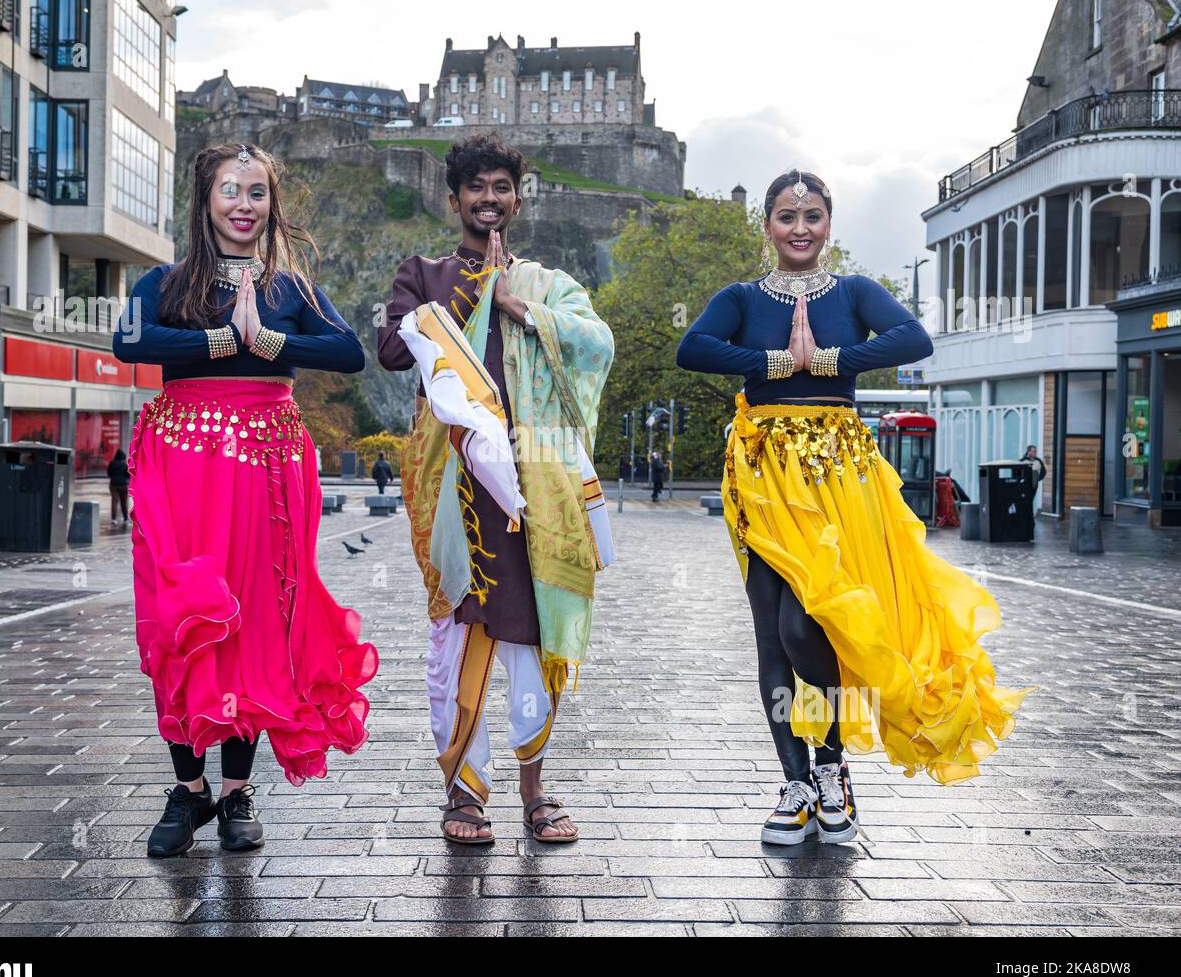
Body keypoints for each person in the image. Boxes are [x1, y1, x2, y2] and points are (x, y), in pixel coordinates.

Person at [677, 169, 1030, 846]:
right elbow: (693, 348)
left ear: (829, 224)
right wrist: (776, 362)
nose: (800, 228)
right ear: (769, 226)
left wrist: (835, 358)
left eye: (812, 216)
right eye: (786, 216)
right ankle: (794, 782)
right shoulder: (742, 298)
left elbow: (913, 341)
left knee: (811, 624)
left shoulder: (856, 293)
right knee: (770, 628)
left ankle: (833, 765)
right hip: (764, 473)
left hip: (838, 472)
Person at [112, 141, 378, 858]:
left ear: (271, 205)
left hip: (266, 465)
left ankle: (235, 794)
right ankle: (188, 788)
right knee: (181, 615)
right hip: (184, 462)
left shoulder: (292, 290)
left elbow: (350, 352)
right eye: (231, 190)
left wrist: (270, 337)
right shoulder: (163, 283)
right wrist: (229, 340)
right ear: (205, 200)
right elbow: (132, 342)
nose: (243, 205)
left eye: (257, 193)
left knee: (256, 620)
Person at [378, 133, 614, 845]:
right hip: (456, 489)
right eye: (475, 188)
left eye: (501, 188)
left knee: (534, 630)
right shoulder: (423, 274)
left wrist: (520, 309)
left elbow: (595, 341)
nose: (489, 199)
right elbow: (392, 348)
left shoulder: (548, 283)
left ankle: (535, 793)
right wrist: (456, 303)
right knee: (460, 631)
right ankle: (464, 796)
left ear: (519, 196)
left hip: (537, 483)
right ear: (453, 199)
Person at [107, 449, 130, 526]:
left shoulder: (111, 464)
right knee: (124, 502)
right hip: (124, 485)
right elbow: (128, 475)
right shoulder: (125, 465)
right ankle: (125, 518)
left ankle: (113, 519)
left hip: (113, 485)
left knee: (114, 501)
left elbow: (109, 473)